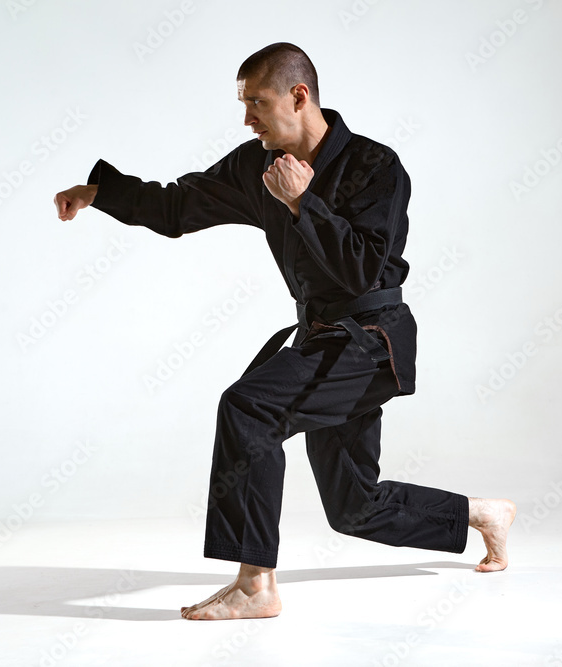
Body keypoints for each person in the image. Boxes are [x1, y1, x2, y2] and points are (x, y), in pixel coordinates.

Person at [54, 42, 517, 621]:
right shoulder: (258, 166)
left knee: (249, 409)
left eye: (256, 102)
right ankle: (481, 514)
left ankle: (254, 586)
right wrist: (102, 195)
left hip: (371, 341)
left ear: (299, 97)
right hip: (321, 339)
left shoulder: (376, 166)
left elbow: (367, 272)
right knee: (353, 507)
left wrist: (304, 203)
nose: (247, 118)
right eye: (244, 104)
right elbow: (178, 207)